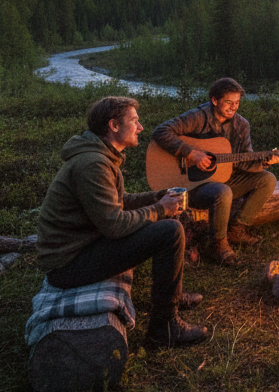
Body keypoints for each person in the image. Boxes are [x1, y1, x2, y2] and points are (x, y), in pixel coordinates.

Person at [36, 96, 210, 348]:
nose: (140, 127)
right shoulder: (93, 164)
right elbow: (115, 224)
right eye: (135, 121)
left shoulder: (100, 156)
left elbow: (117, 201)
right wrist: (160, 209)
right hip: (68, 265)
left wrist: (155, 197)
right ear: (114, 126)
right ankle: (164, 329)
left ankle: (170, 296)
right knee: (169, 231)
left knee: (162, 226)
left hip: (81, 249)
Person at [150, 77, 279, 266]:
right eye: (228, 102)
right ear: (214, 100)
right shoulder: (198, 117)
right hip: (192, 184)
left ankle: (238, 228)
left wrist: (265, 162)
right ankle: (218, 244)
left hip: (224, 179)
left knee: (267, 179)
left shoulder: (241, 125)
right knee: (223, 191)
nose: (233, 107)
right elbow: (161, 131)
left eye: (236, 103)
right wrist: (191, 153)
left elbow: (245, 161)